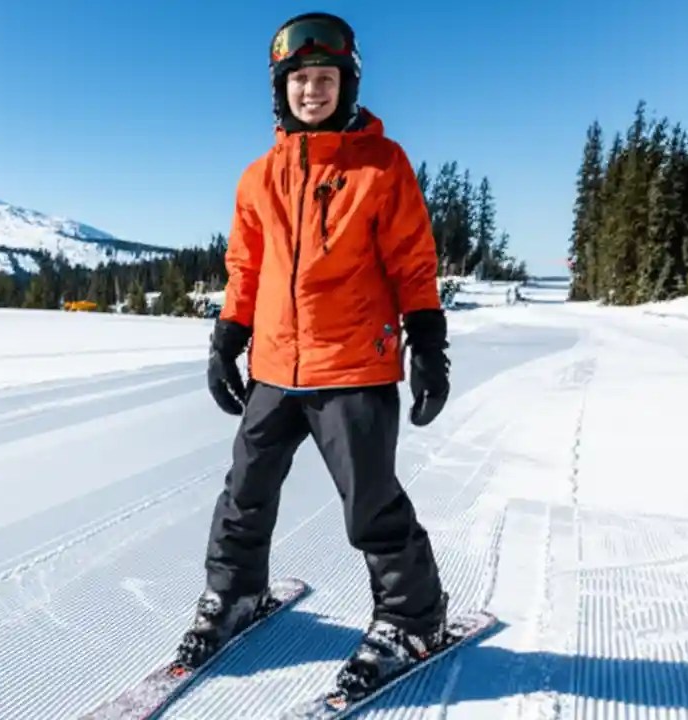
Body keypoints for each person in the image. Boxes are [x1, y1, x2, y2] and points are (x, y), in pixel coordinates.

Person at [174, 11, 453, 695]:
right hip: (274, 365)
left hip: (353, 366)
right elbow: (247, 268)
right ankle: (235, 593)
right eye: (300, 80)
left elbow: (414, 265)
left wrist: (428, 346)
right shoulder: (258, 178)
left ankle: (413, 619)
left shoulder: (381, 167)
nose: (312, 91)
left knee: (370, 505)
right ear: (282, 89)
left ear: (346, 84)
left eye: (324, 79)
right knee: (245, 493)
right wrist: (226, 340)